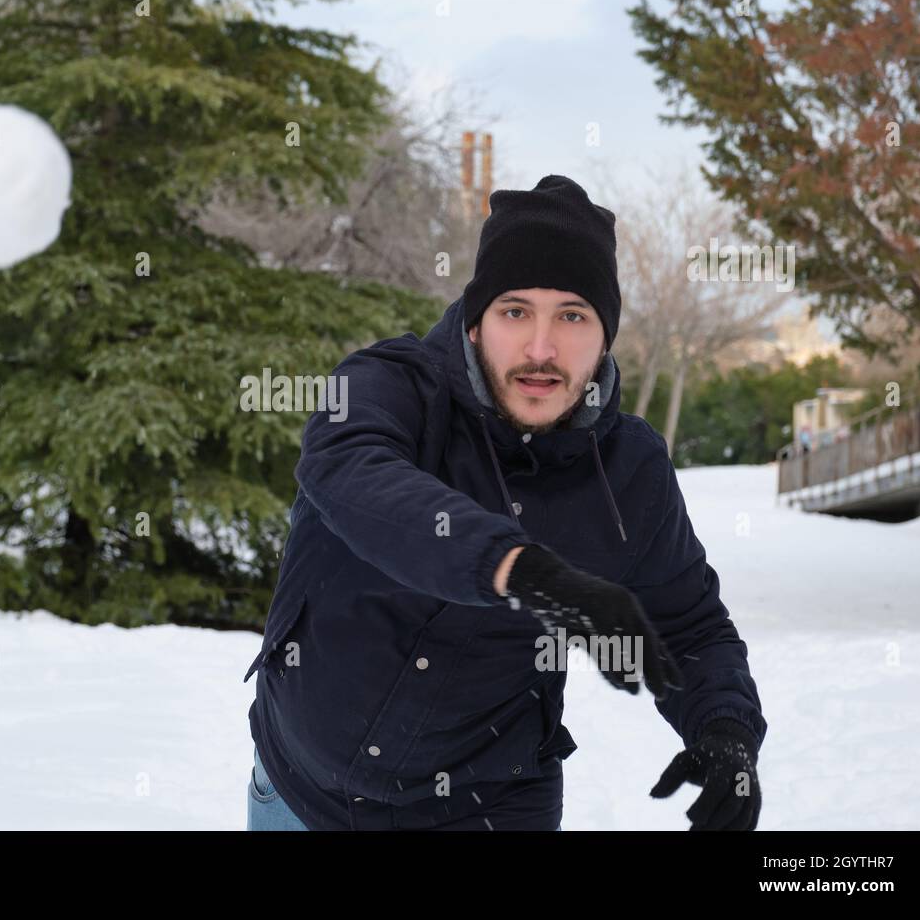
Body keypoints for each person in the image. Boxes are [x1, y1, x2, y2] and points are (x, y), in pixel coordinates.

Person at [243, 175, 766, 831]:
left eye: (572, 315)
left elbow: (690, 628)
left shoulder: (631, 471)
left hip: (486, 806)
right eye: (515, 311)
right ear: (475, 320)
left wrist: (727, 730)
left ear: (605, 336)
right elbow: (352, 474)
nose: (541, 349)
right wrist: (530, 574)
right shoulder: (388, 386)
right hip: (300, 791)